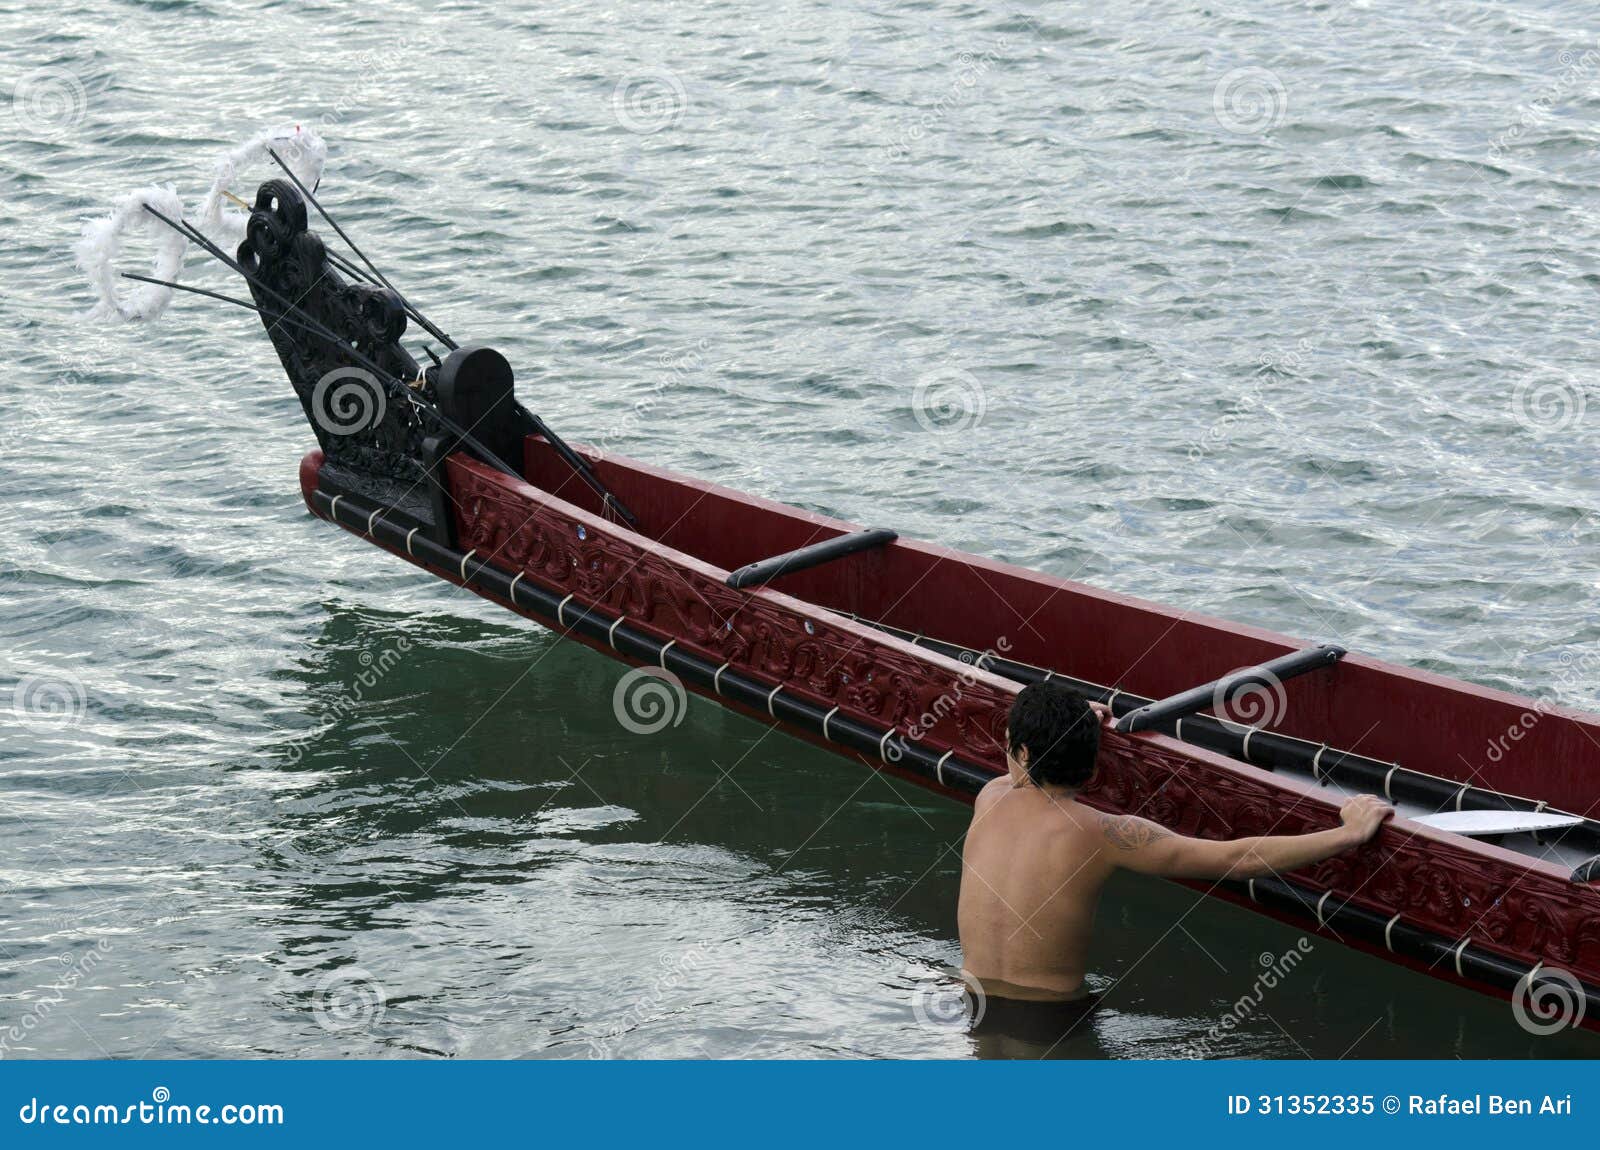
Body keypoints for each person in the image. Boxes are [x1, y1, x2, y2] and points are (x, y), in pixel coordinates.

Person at [957, 679, 1393, 1016]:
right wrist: (1346, 834)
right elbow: (1237, 859)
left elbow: (1022, 772)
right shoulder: (1102, 834)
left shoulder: (990, 797)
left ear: (1023, 753)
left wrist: (1063, 728)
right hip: (1050, 1015)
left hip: (973, 1001)